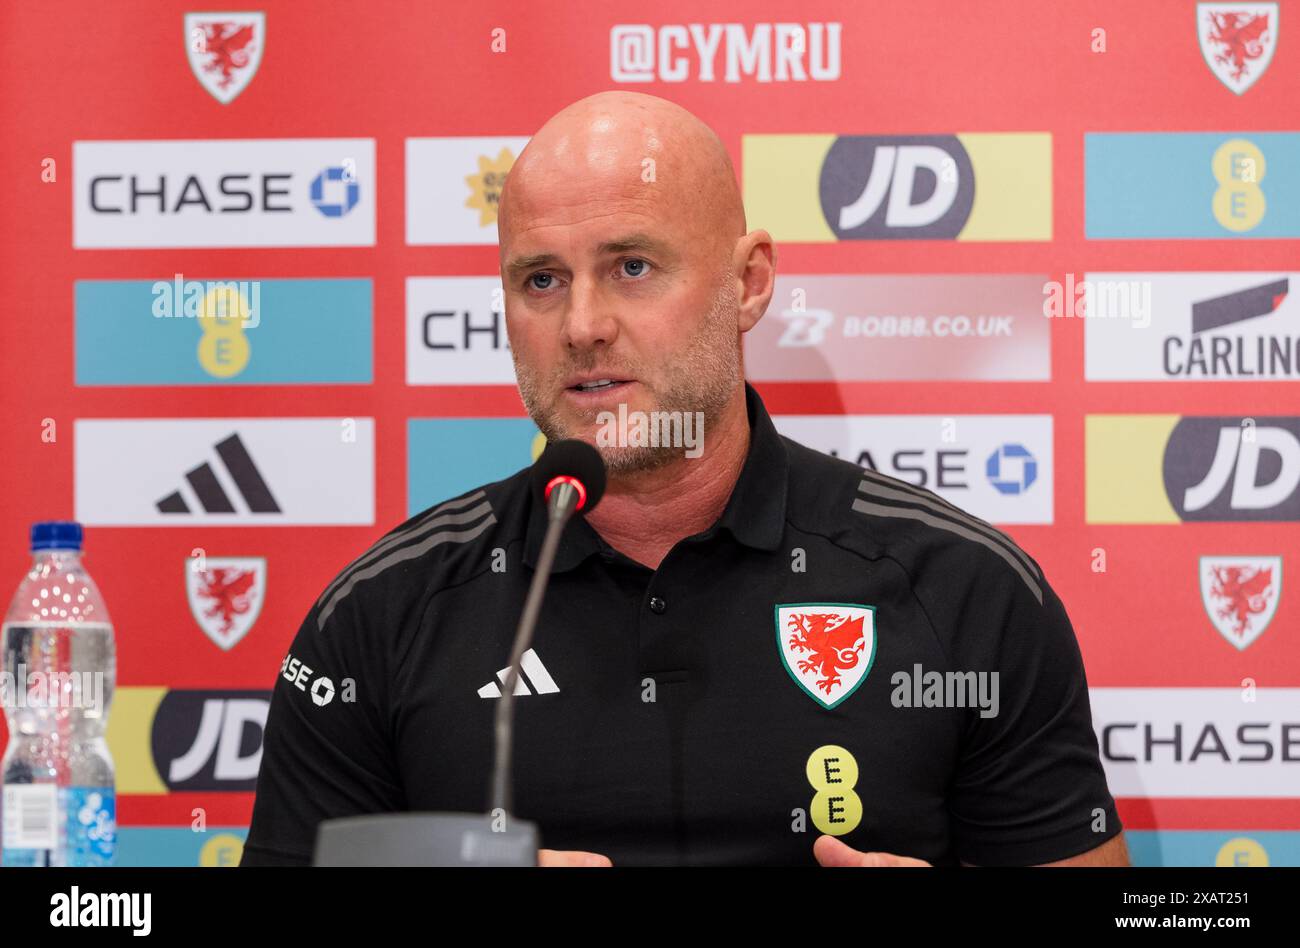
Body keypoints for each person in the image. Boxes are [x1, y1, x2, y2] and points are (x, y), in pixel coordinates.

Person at [241, 90, 1127, 867]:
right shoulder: (379, 615)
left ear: (748, 283)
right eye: (541, 279)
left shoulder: (964, 591)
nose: (584, 325)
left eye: (632, 267)